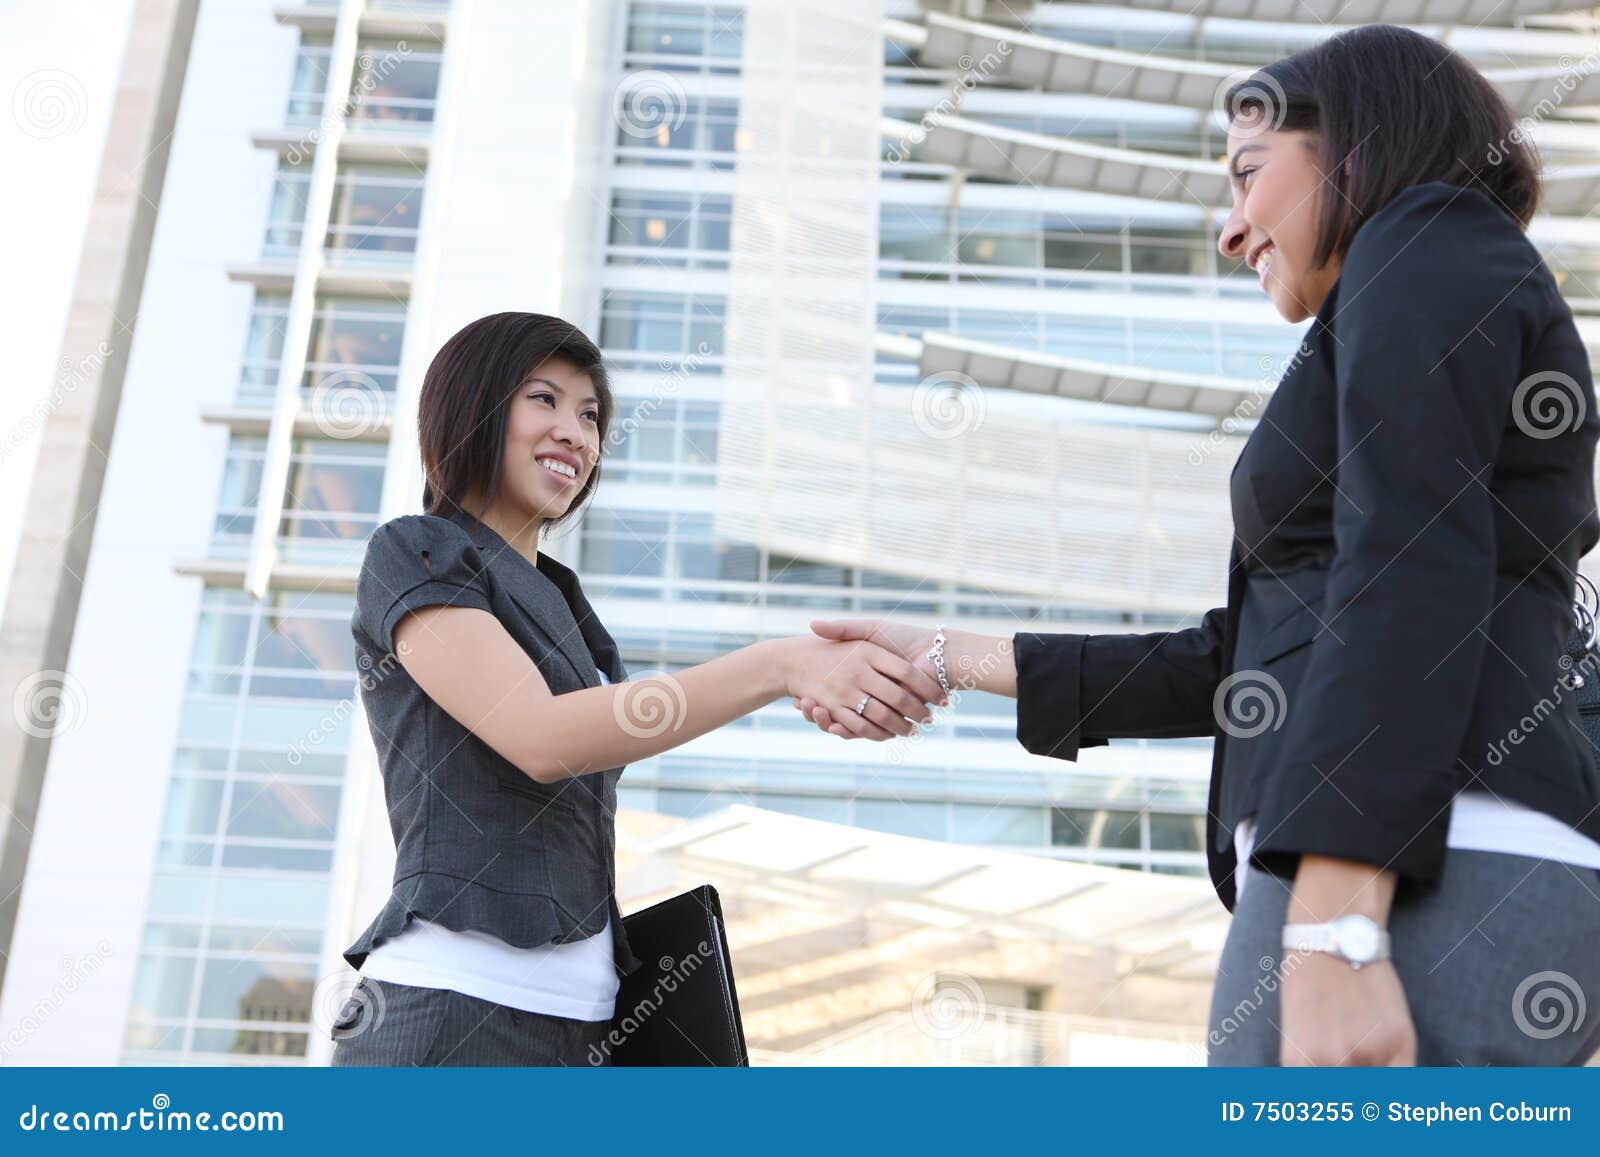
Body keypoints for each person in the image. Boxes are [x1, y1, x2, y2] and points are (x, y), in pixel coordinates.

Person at [794, 24, 1600, 1066]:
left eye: (1246, 176)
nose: (1229, 230)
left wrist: (1335, 921)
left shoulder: (1427, 233)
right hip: (1408, 853)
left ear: (1354, 148)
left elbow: (1411, 558)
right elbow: (1254, 656)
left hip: (1424, 862)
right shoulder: (1412, 280)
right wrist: (946, 656)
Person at [329, 312, 943, 1066]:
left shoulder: (569, 607)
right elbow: (540, 736)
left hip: (586, 1028)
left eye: (590, 415)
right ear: (473, 405)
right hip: (450, 1011)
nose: (576, 433)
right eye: (544, 400)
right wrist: (781, 666)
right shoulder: (416, 550)